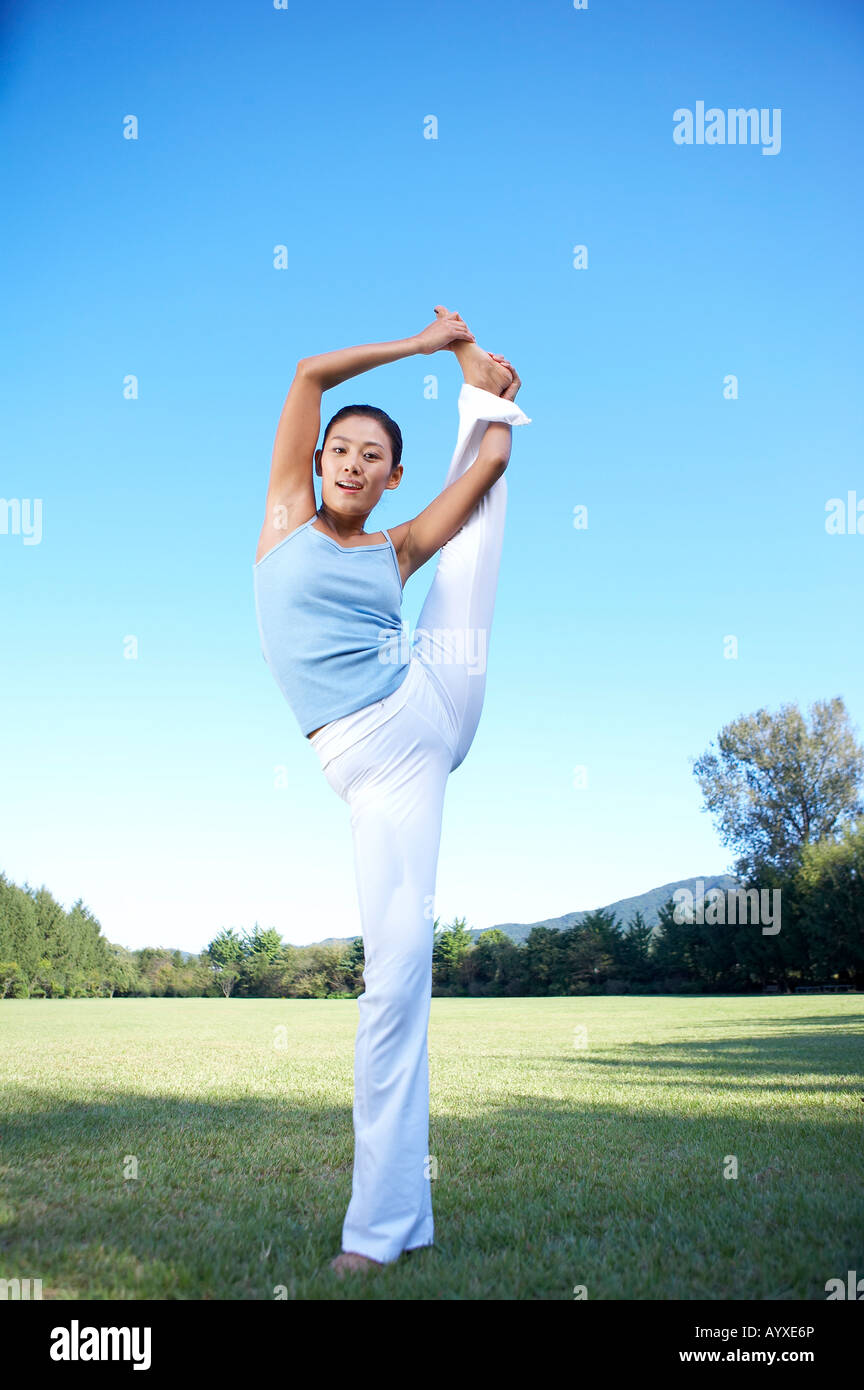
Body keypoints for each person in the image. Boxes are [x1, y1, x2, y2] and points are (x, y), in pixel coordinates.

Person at [253, 306, 531, 1274]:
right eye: (344, 449)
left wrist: (484, 385)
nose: (355, 463)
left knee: (473, 552)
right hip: (386, 768)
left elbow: (488, 469)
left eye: (375, 456)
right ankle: (394, 1226)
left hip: (428, 689)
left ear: (393, 476)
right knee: (396, 980)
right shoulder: (287, 519)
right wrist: (423, 344)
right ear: (319, 458)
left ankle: (372, 1238)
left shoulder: (394, 547)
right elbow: (306, 369)